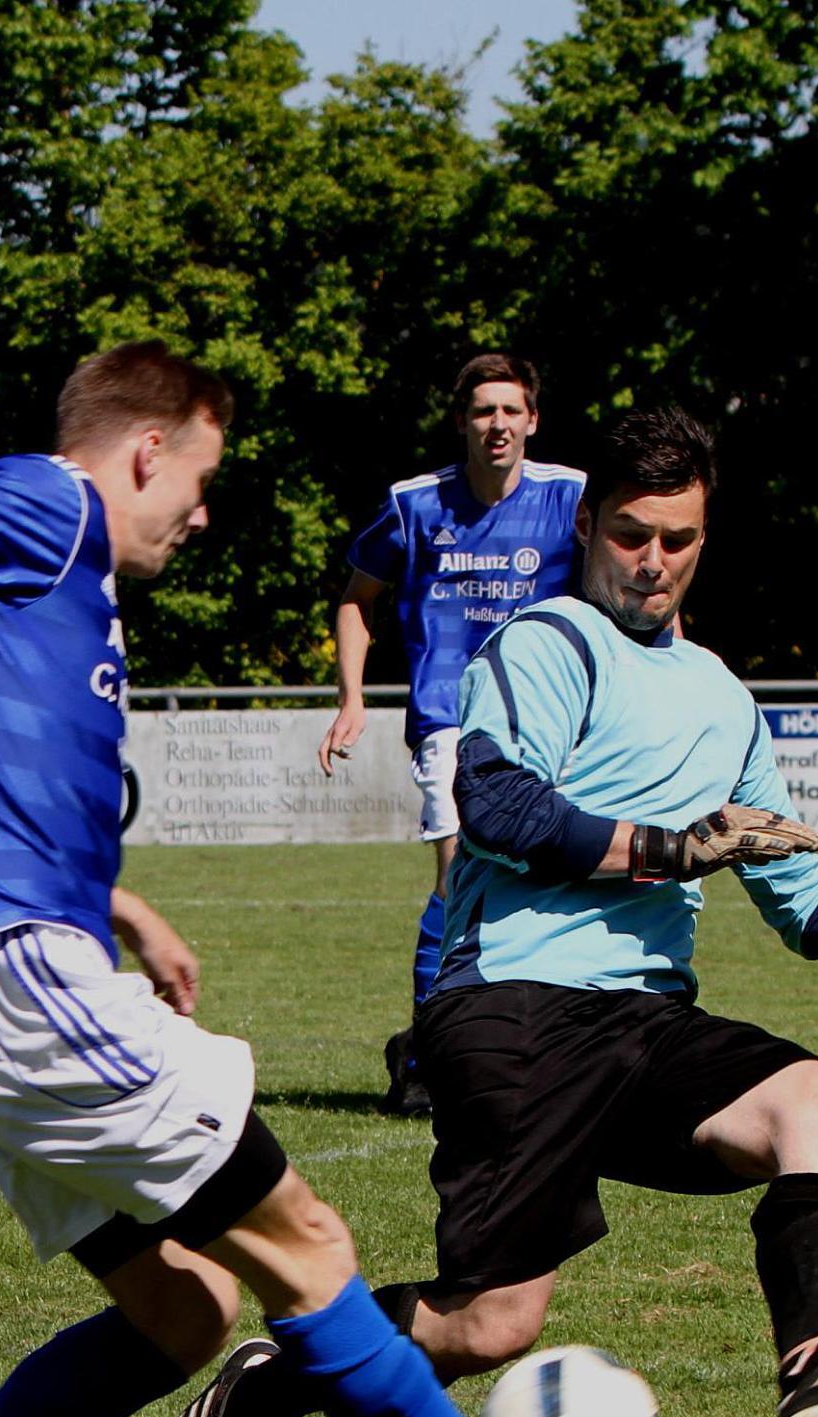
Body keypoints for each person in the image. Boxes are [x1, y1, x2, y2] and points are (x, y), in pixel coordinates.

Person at [0, 342, 678, 1417]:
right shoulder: (59, 503)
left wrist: (120, 908)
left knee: (184, 1309)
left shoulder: (56, 579)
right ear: (148, 448)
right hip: (19, 982)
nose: (202, 510)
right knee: (307, 1245)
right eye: (199, 476)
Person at [166, 406, 818, 1417]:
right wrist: (673, 846)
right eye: (629, 534)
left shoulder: (722, 698)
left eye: (678, 540)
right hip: (510, 1008)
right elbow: (501, 806)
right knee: (487, 1328)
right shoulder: (547, 642)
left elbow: (795, 884)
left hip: (648, 1022)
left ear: (706, 541)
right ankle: (273, 1376)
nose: (653, 564)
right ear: (588, 528)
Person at [324, 354, 582, 1115]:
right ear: (462, 421)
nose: (496, 425)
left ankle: (512, 1048)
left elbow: (637, 590)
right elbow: (355, 598)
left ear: (531, 419)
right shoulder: (414, 504)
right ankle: (427, 1061)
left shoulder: (573, 499)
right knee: (458, 879)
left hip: (552, 720)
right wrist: (351, 697)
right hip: (451, 718)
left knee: (544, 886)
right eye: (482, 412)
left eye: (510, 411)